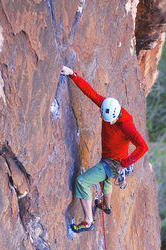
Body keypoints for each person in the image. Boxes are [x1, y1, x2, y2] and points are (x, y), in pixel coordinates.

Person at [61, 66, 149, 233]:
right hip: (110, 160)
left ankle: (88, 222)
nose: (107, 123)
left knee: (82, 182)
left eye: (110, 121)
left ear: (116, 117)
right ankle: (106, 206)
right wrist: (73, 74)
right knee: (106, 181)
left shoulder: (126, 125)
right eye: (104, 119)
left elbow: (143, 147)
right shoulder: (106, 105)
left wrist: (126, 163)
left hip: (114, 163)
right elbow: (90, 93)